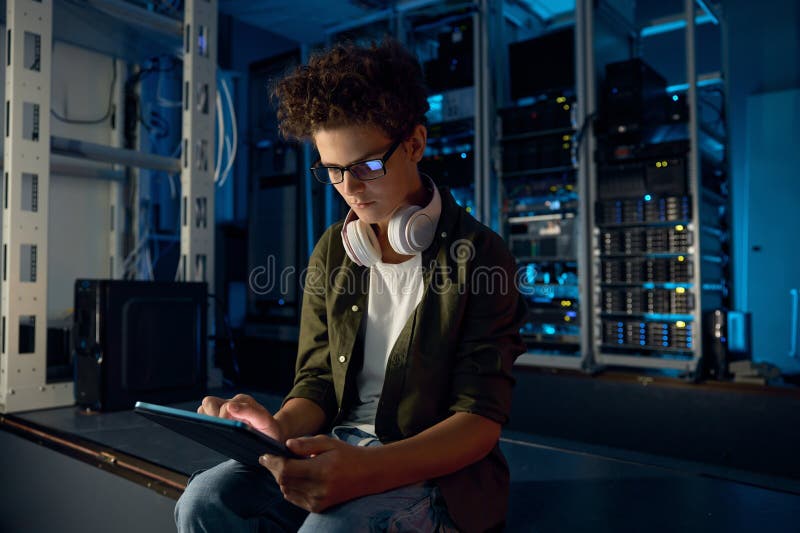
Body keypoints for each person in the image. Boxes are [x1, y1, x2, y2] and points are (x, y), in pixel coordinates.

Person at [175, 38, 526, 533]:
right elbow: (317, 381)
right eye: (333, 171)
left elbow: (480, 422)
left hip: (434, 474)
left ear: (415, 144)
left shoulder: (484, 256)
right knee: (203, 502)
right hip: (338, 447)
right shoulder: (333, 250)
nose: (350, 189)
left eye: (365, 167)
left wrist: (366, 470)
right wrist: (276, 428)